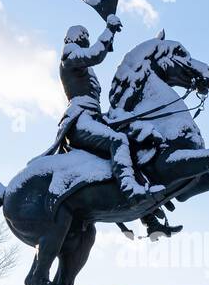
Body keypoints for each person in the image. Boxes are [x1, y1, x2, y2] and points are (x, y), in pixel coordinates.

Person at [50, 17, 158, 209]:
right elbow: (95, 54)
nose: (87, 39)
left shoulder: (83, 65)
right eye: (85, 36)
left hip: (94, 117)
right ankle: (129, 188)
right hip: (80, 118)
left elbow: (97, 53)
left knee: (130, 139)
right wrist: (109, 29)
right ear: (78, 37)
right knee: (118, 141)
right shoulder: (69, 54)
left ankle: (147, 213)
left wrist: (110, 37)